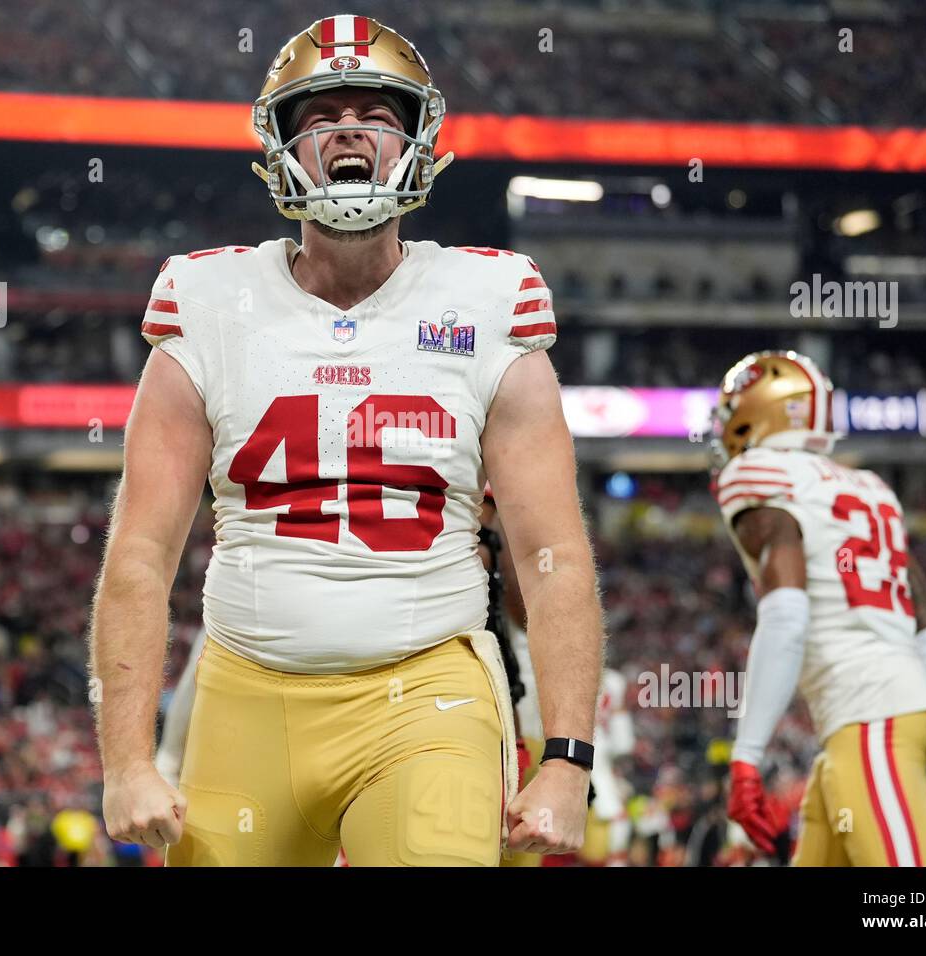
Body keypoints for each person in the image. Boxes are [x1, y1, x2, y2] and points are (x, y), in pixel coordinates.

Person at [91, 14, 605, 867]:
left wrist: (567, 760)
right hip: (245, 695)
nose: (349, 131)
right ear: (282, 147)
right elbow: (140, 556)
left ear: (417, 139)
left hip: (428, 689)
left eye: (376, 111)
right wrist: (126, 761)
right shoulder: (208, 298)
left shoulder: (488, 298)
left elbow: (555, 556)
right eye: (321, 116)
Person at [709, 350, 926, 866]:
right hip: (900, 720)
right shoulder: (872, 489)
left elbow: (786, 617)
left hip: (870, 725)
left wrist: (747, 756)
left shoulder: (759, 475)